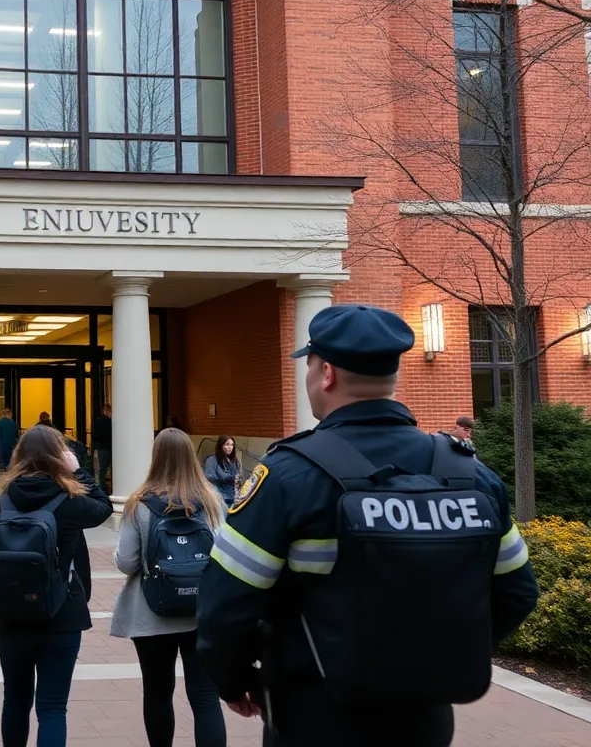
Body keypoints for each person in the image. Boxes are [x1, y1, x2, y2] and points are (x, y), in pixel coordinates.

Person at [197, 305, 539, 747]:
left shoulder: (287, 477)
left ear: (327, 373)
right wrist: (441, 655)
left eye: (310, 365)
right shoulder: (470, 475)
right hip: (425, 717)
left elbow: (226, 606)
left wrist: (233, 679)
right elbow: (517, 592)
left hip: (315, 713)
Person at [0, 424, 113, 747]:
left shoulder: (2, 501)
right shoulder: (68, 500)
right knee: (52, 708)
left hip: (10, 615)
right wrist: (80, 472)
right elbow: (104, 508)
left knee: (15, 700)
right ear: (58, 457)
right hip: (61, 612)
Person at [111, 428, 228, 747]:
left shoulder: (139, 503)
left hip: (151, 611)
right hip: (201, 612)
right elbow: (225, 556)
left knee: (158, 693)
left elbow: (127, 562)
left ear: (156, 457)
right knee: (206, 699)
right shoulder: (211, 501)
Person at [203, 435, 240, 507]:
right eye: (227, 444)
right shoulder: (212, 459)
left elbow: (236, 476)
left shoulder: (234, 460)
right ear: (221, 445)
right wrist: (225, 478)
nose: (230, 447)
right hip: (220, 497)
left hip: (233, 497)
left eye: (232, 445)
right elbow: (208, 477)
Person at [91, 404, 113, 493]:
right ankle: (104, 487)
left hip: (102, 447)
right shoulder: (109, 422)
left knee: (102, 468)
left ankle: (103, 488)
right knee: (106, 468)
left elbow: (95, 435)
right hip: (108, 447)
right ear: (107, 411)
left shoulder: (98, 421)